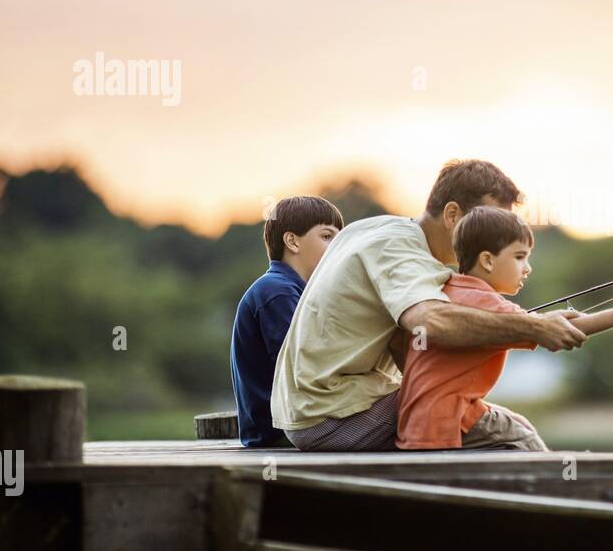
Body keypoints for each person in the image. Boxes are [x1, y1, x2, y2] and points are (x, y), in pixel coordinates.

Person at [272, 159, 588, 452]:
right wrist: (536, 327)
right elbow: (430, 323)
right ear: (452, 214)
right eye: (489, 220)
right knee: (515, 438)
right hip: (332, 416)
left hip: (308, 409)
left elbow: (401, 343)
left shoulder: (370, 229)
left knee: (497, 420)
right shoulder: (402, 252)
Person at [396, 206, 613, 451]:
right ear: (487, 260)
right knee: (525, 441)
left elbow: (530, 324)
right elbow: (547, 330)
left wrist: (540, 320)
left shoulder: (446, 291)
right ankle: (552, 488)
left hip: (416, 419)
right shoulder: (489, 304)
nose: (527, 268)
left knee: (518, 423)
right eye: (520, 257)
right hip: (449, 420)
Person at [229, 196, 343, 447]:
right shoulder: (276, 291)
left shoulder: (296, 292)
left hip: (292, 425)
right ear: (292, 241)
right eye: (327, 237)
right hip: (281, 431)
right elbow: (306, 368)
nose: (337, 247)